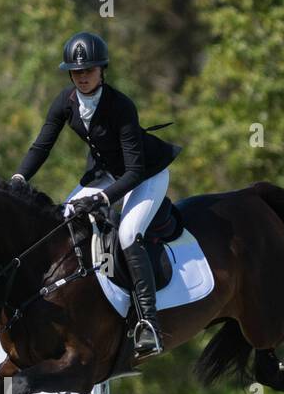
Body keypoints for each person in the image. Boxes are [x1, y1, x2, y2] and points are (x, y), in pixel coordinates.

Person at [12, 31, 178, 359]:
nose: (82, 77)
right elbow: (42, 145)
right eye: (76, 72)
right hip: (105, 174)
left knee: (129, 233)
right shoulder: (65, 102)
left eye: (88, 71)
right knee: (62, 221)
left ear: (102, 70)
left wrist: (102, 200)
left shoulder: (121, 106)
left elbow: (133, 171)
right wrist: (19, 177)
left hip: (145, 174)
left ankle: (148, 323)